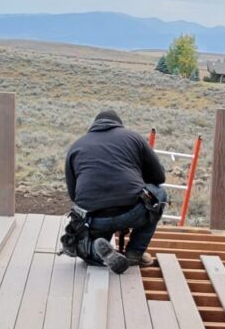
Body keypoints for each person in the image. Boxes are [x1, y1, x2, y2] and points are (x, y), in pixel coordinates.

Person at [62, 109, 168, 273]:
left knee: (89, 250)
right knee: (159, 194)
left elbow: (74, 195)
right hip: (132, 211)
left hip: (95, 220)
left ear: (93, 126)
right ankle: (134, 253)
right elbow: (159, 177)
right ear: (118, 124)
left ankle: (95, 252)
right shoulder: (133, 138)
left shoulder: (76, 146)